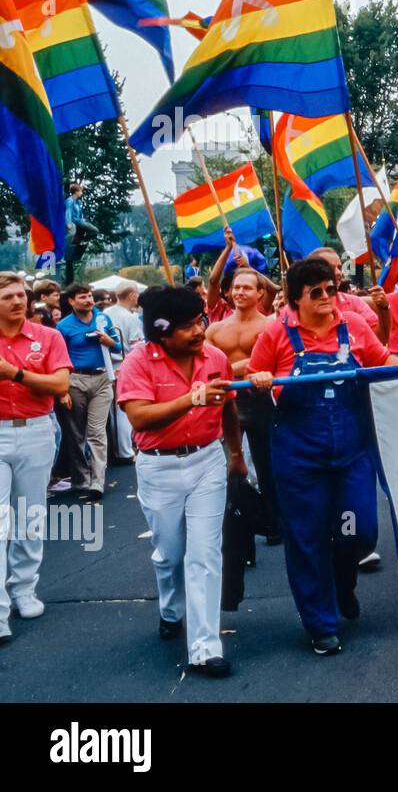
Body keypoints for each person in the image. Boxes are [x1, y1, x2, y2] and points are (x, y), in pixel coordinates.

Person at [247, 258, 398, 656]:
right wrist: (258, 381)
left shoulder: (354, 326)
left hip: (351, 452)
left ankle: (342, 580)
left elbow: (383, 362)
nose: (329, 298)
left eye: (332, 289)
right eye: (317, 293)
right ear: (296, 299)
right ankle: (321, 624)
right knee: (307, 537)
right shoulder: (276, 333)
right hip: (299, 456)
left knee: (359, 529)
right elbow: (254, 377)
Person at [117, 285, 247, 678]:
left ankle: (205, 647)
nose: (198, 331)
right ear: (161, 331)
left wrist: (236, 454)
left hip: (207, 460)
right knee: (170, 554)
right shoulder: (137, 363)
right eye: (188, 326)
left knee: (205, 554)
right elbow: (139, 417)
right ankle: (171, 608)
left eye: (200, 321)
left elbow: (229, 409)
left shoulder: (216, 358)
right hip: (158, 467)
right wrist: (191, 399)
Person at [0, 272, 72, 645]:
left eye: (20, 295)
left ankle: (24, 589)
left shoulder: (49, 337)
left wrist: (15, 373)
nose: (16, 302)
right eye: (7, 297)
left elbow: (60, 385)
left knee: (30, 515)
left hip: (36, 429)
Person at [205, 268, 278, 544]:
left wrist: (228, 370)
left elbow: (266, 363)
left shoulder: (271, 326)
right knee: (228, 467)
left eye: (247, 288)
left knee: (267, 466)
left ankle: (274, 523)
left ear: (260, 293)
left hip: (260, 403)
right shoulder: (215, 329)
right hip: (225, 404)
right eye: (236, 287)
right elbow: (206, 367)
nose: (239, 293)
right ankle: (236, 530)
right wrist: (235, 370)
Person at [56, 283, 121, 500]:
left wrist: (111, 342)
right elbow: (58, 360)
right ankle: (80, 479)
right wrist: (62, 390)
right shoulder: (63, 327)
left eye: (90, 296)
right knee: (75, 434)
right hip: (75, 381)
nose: (88, 300)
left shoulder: (103, 319)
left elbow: (118, 347)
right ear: (72, 301)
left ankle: (98, 481)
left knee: (97, 431)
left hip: (102, 379)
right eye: (83, 297)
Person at [307, 246, 386, 342]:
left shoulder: (354, 303)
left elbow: (378, 340)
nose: (338, 273)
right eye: (331, 268)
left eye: (339, 268)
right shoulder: (300, 306)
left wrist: (385, 310)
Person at [105, 281, 146, 464]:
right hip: (125, 365)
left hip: (109, 366)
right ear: (132, 296)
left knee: (115, 412)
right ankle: (125, 451)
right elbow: (138, 347)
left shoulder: (106, 313)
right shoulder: (131, 318)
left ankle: (120, 449)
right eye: (137, 293)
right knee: (124, 411)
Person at [63, 184, 99, 284]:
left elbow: (81, 213)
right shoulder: (70, 201)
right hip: (75, 221)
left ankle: (80, 241)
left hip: (80, 221)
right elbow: (68, 212)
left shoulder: (78, 202)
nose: (81, 193)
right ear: (76, 191)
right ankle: (68, 245)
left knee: (94, 231)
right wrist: (68, 223)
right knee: (93, 230)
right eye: (80, 191)